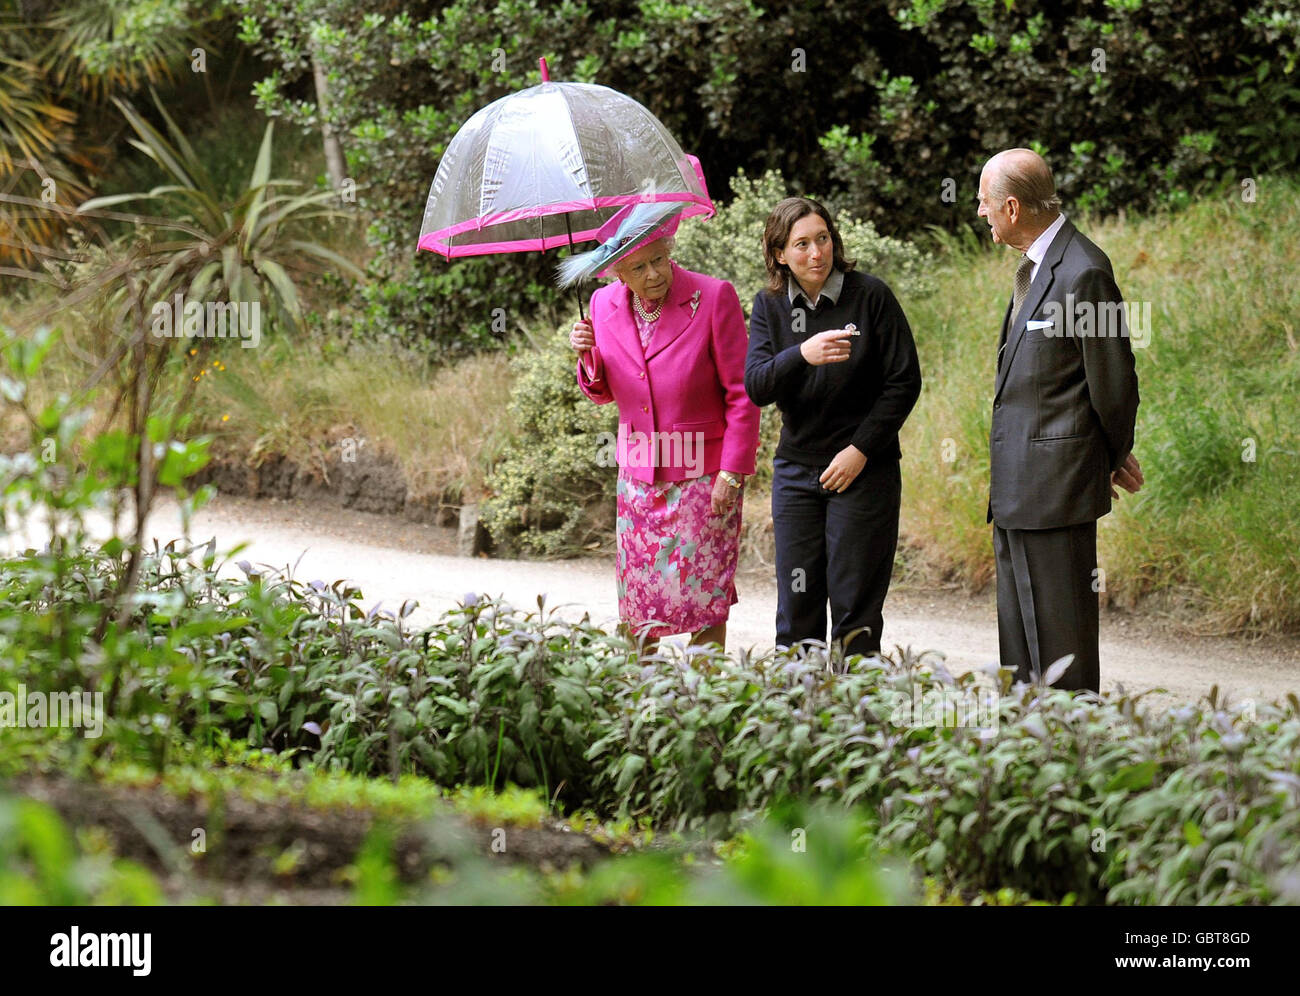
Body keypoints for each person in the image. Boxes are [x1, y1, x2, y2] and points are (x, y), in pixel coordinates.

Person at [977, 148, 1143, 693]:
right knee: (1020, 648)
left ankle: (1075, 760)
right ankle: (1028, 758)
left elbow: (1113, 383)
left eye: (983, 203)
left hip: (1058, 490)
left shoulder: (1085, 270)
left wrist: (1109, 458)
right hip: (1016, 490)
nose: (980, 213)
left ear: (1011, 206)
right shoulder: (1034, 266)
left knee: (1062, 649)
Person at [568, 203, 760, 653]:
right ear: (617, 272)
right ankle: (645, 709)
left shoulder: (713, 297)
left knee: (703, 598)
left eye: (659, 258)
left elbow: (742, 393)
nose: (654, 273)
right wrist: (586, 356)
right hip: (637, 480)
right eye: (638, 267)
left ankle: (704, 708)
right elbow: (605, 392)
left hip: (703, 477)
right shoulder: (601, 305)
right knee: (639, 604)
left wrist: (732, 474)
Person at [745, 197, 921, 667]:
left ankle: (859, 727)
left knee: (854, 609)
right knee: (797, 611)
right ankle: (800, 726)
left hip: (863, 472)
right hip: (797, 475)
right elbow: (757, 385)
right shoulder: (769, 306)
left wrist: (860, 450)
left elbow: (904, 382)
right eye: (801, 244)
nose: (816, 253)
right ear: (780, 254)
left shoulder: (871, 296)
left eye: (822, 239)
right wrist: (802, 353)